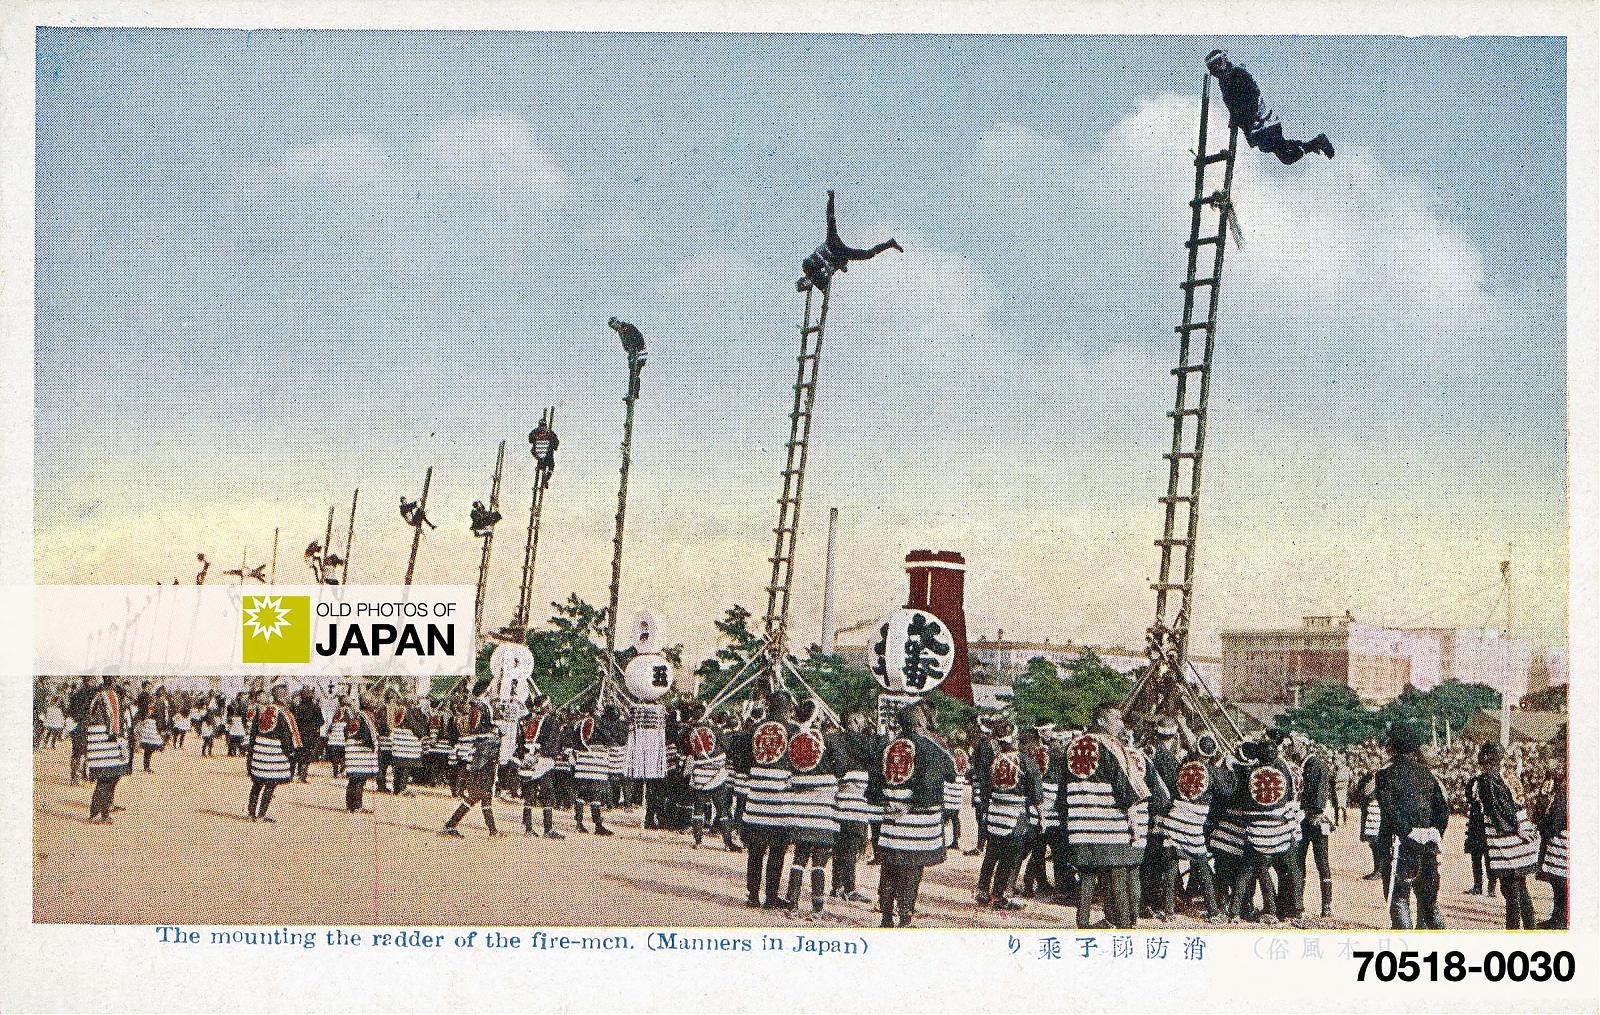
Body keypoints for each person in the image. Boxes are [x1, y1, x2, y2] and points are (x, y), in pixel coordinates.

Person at [1060, 704, 1151, 929]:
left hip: (1081, 827)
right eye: (1117, 718)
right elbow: (1124, 789)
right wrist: (1134, 823)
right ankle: (1124, 928)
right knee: (1117, 878)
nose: (1121, 723)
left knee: (1087, 879)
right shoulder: (1111, 747)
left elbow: (1063, 792)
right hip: (1110, 829)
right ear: (1102, 720)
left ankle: (1082, 925)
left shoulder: (1073, 747)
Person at [872, 703, 957, 928]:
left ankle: (886, 917)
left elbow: (874, 783)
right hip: (918, 821)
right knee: (912, 871)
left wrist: (886, 803)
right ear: (920, 723)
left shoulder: (888, 747)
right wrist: (911, 805)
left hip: (890, 818)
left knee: (889, 868)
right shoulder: (929, 747)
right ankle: (905, 917)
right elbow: (950, 772)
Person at [780, 699, 849, 919]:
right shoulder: (825, 740)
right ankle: (818, 908)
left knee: (799, 858)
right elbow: (841, 767)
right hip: (822, 811)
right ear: (816, 717)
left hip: (799, 811)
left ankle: (792, 904)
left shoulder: (792, 741)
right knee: (819, 862)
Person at [1375, 724, 1448, 930]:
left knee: (1399, 899)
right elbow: (1442, 810)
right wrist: (1433, 832)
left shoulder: (1384, 775)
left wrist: (1408, 832)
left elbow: (1389, 812)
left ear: (1392, 746)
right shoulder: (1427, 774)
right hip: (1428, 845)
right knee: (1429, 903)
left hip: (1398, 845)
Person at [1221, 736, 1300, 924]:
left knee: (1249, 869)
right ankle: (1296, 910)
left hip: (1257, 838)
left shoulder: (1250, 775)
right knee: (1293, 868)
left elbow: (1243, 805)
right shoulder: (1285, 775)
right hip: (1280, 837)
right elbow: (1290, 802)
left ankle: (1234, 911)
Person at [1205, 50, 1334, 165]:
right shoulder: (1224, 81)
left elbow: (1252, 96)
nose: (1212, 73)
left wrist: (1238, 116)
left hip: (1264, 123)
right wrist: (1236, 118)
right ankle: (1316, 143)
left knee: (1284, 154)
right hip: (1256, 126)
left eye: (1213, 68)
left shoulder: (1237, 74)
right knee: (1286, 156)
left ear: (1220, 63)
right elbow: (1233, 104)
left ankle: (1317, 142)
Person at [1158, 732, 1232, 922]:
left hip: (1173, 820)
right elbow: (1227, 790)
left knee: (1171, 866)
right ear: (1213, 753)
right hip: (1192, 825)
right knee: (1203, 866)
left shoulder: (1183, 768)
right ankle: (1214, 912)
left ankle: (1168, 912)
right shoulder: (1213, 773)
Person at [736, 693, 796, 908]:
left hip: (756, 800)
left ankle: (752, 895)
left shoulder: (754, 730)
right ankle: (771, 896)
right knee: (777, 852)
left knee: (756, 852)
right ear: (787, 707)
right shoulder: (793, 731)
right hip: (782, 802)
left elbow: (742, 761)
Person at [976, 720, 1040, 911]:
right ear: (1015, 737)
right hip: (1015, 816)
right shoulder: (1025, 761)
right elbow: (1036, 794)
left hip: (995, 814)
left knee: (991, 853)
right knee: (1011, 857)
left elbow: (986, 789)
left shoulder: (994, 760)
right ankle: (1002, 895)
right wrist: (1042, 817)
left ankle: (983, 890)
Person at [1476, 741, 1540, 929]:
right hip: (1521, 835)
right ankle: (1530, 928)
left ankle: (1512, 932)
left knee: (1510, 891)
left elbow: (1498, 810)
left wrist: (1514, 827)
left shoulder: (1487, 779)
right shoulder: (1509, 775)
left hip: (1506, 839)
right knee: (1521, 888)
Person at [797, 190, 904, 292]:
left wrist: (831, 198)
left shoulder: (807, 266)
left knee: (831, 221)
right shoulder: (816, 275)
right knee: (867, 254)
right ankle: (890, 243)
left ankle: (890, 243)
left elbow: (830, 218)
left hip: (833, 246)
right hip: (837, 253)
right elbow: (838, 271)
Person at [828, 709, 877, 903]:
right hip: (857, 803)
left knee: (840, 846)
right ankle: (849, 888)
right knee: (851, 847)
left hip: (838, 801)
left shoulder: (834, 740)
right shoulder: (866, 743)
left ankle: (836, 885)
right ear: (857, 723)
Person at [442, 693, 503, 837]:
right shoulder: (487, 733)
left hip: (484, 765)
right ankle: (451, 824)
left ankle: (493, 830)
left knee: (485, 797)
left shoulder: (485, 732)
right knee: (475, 796)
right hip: (483, 766)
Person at [1141, 719, 1182, 919]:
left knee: (1150, 857)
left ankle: (1148, 900)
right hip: (1164, 812)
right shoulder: (1169, 758)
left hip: (1147, 811)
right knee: (1159, 859)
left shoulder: (1145, 753)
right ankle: (1155, 902)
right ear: (1174, 736)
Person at [681, 703, 735, 850]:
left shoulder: (689, 731)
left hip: (699, 774)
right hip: (716, 775)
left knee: (698, 809)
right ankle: (727, 843)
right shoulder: (714, 729)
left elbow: (687, 751)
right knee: (722, 809)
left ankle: (698, 841)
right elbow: (727, 746)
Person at [245, 684, 302, 822]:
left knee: (257, 784)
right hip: (274, 755)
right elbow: (287, 737)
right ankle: (261, 815)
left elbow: (253, 734)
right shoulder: (283, 713)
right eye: (286, 695)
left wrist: (251, 753)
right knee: (270, 785)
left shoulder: (262, 710)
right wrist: (291, 754)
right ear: (282, 696)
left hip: (259, 753)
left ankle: (251, 813)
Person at [1292, 738, 1336, 918]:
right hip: (1306, 819)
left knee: (1321, 863)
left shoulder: (1316, 765)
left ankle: (1326, 905)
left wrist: (1309, 812)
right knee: (1300, 861)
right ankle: (1299, 903)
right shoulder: (1307, 764)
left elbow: (1320, 796)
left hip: (1315, 820)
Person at [515, 695, 565, 838]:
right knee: (547, 793)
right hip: (544, 760)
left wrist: (525, 755)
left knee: (529, 793)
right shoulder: (551, 721)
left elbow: (521, 741)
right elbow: (553, 742)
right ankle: (548, 829)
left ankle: (528, 828)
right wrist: (551, 753)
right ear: (546, 706)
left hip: (528, 758)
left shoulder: (529, 720)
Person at [85, 674, 132, 823]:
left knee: (103, 779)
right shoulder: (111, 696)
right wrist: (120, 741)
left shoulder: (97, 695)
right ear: (113, 680)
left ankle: (97, 812)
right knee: (108, 778)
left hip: (96, 742)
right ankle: (101, 813)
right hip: (107, 745)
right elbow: (114, 722)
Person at [567, 707, 617, 836]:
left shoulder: (580, 723)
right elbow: (608, 738)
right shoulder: (596, 723)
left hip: (583, 761)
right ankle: (597, 825)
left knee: (582, 794)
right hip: (596, 761)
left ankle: (579, 823)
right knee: (595, 794)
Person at [1536, 758, 1567, 929]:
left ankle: (1561, 919)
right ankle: (1557, 916)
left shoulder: (1565, 789)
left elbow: (1557, 817)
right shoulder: (1554, 786)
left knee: (1561, 880)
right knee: (1556, 880)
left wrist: (1546, 828)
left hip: (1561, 838)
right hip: (1553, 836)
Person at [341, 695, 380, 813]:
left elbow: (347, 731)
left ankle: (350, 806)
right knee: (360, 780)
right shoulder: (366, 717)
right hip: (361, 753)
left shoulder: (357, 715)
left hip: (353, 752)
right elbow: (366, 735)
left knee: (353, 780)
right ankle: (357, 806)